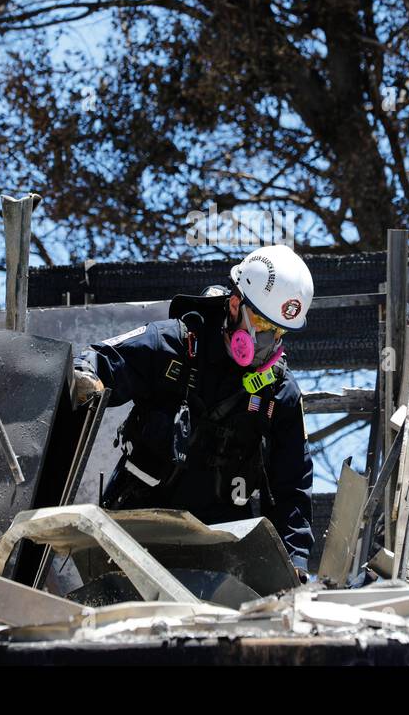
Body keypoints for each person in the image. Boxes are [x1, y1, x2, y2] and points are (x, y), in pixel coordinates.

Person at [72, 245, 315, 573]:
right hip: (133, 530)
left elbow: (293, 486)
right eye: (259, 321)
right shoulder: (172, 344)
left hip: (222, 550)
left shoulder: (279, 393)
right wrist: (86, 379)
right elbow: (101, 361)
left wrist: (294, 564)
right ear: (234, 305)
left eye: (278, 331)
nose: (266, 340)